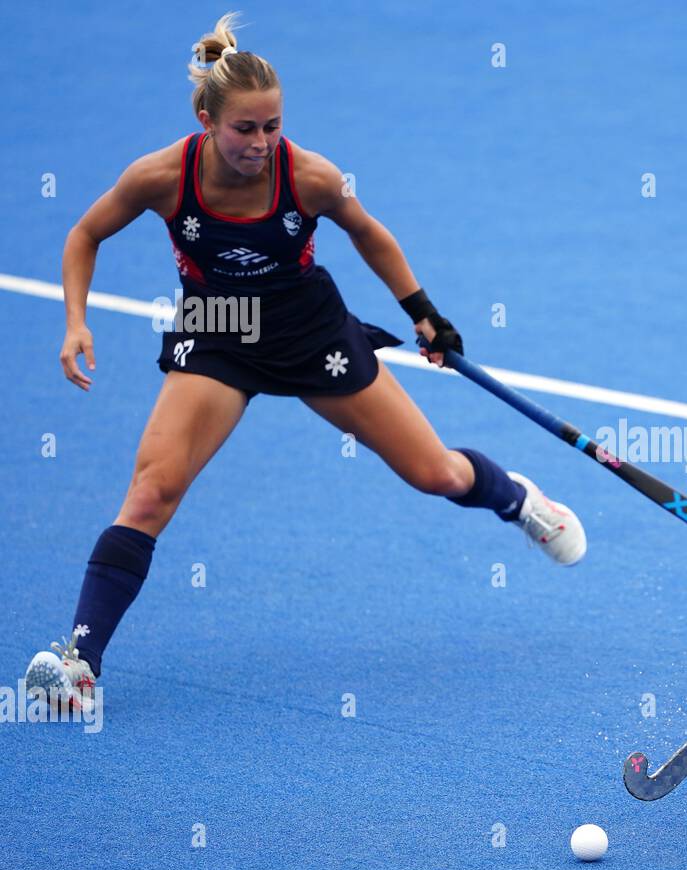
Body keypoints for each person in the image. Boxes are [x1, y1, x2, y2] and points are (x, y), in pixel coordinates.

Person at [27, 13, 585, 713]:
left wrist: (425, 312)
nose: (261, 143)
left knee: (433, 472)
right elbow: (84, 233)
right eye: (245, 129)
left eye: (272, 126)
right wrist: (75, 321)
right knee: (151, 493)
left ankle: (517, 498)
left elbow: (370, 234)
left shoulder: (311, 176)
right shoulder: (161, 177)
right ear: (205, 117)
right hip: (218, 332)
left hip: (309, 331)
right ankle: (79, 660)